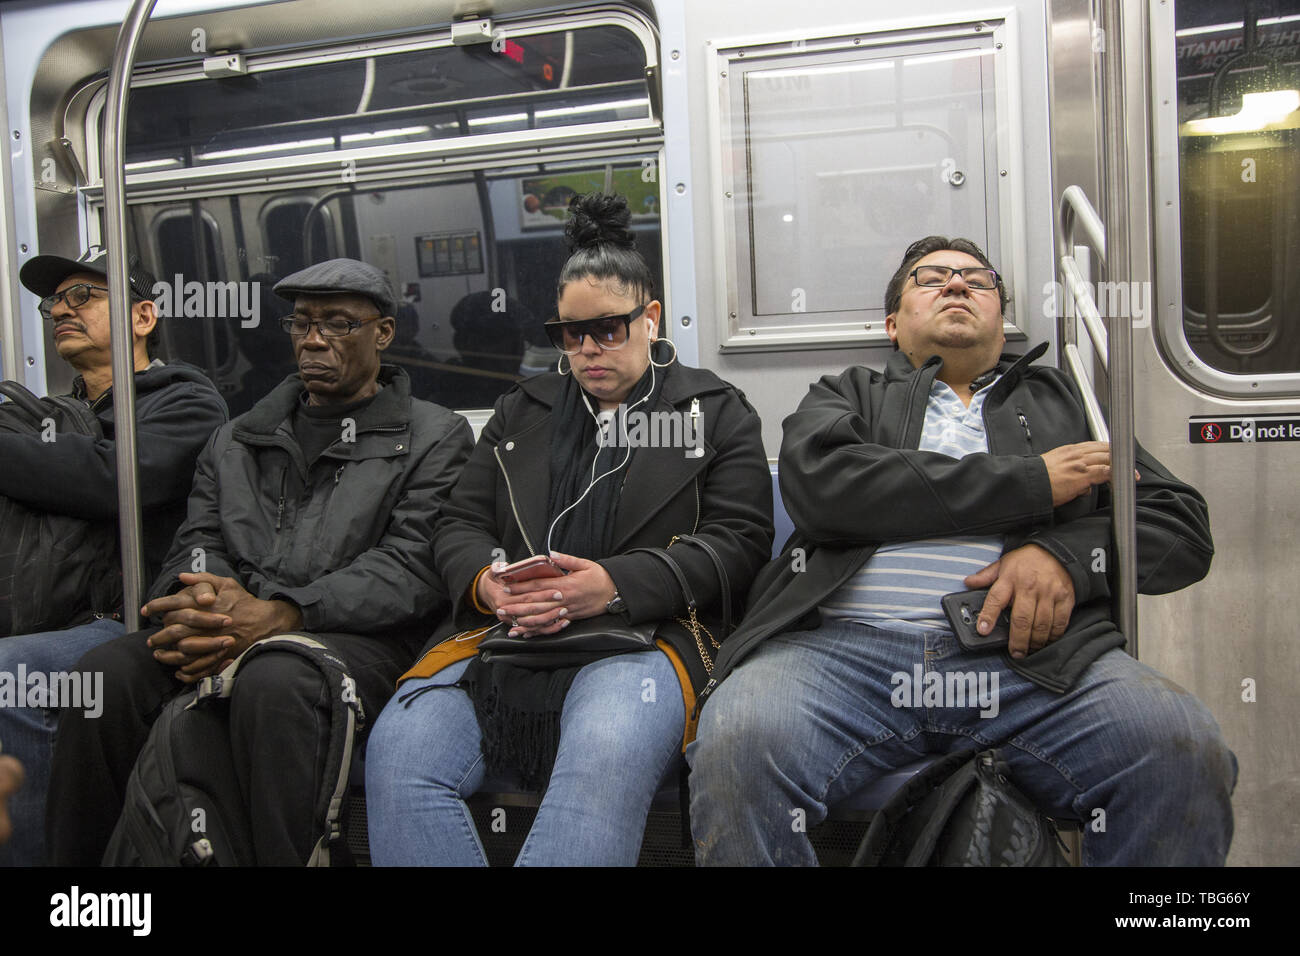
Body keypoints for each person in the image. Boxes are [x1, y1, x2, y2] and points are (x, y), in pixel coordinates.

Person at [688, 235, 1236, 866]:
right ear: (894, 325)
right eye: (932, 278)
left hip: (1029, 662)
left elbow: (1179, 526)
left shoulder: (1068, 402)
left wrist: (1066, 556)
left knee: (1178, 744)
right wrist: (1034, 483)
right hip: (840, 654)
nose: (956, 285)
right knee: (738, 742)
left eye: (978, 280)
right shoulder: (850, 393)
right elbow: (824, 491)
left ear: (1001, 319)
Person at [364, 193, 773, 866]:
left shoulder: (712, 412)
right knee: (399, 753)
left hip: (644, 637)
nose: (587, 350)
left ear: (651, 318)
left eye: (608, 329)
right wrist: (487, 585)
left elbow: (739, 544)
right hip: (501, 634)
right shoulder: (520, 412)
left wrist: (612, 585)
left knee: (600, 759)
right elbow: (460, 522)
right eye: (569, 334)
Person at [44, 258, 473, 865]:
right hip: (231, 625)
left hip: (359, 639)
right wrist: (204, 606)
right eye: (301, 324)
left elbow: (413, 569)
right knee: (104, 677)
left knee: (276, 680)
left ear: (383, 333)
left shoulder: (436, 435)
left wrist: (282, 614)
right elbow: (197, 543)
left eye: (339, 324)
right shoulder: (239, 437)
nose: (315, 338)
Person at [0, 246, 227, 866]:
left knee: (9, 678)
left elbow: (109, 481)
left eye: (84, 297)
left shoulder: (184, 401)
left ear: (143, 317)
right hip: (54, 607)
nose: (60, 312)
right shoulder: (55, 418)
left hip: (124, 615)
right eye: (53, 303)